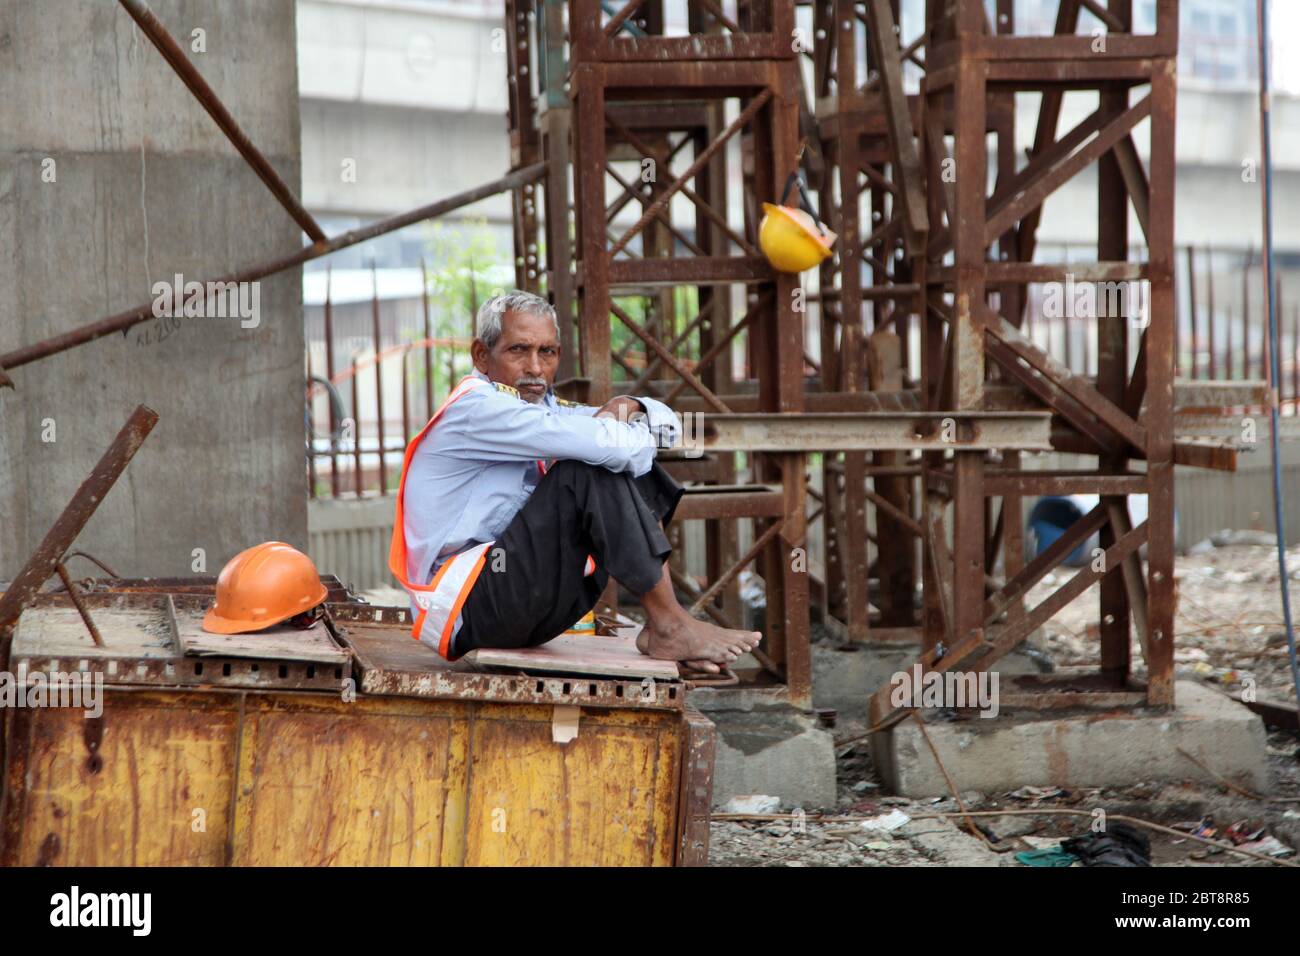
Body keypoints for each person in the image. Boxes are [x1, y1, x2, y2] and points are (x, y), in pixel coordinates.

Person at [388, 290, 761, 674]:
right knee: (587, 470)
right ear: (482, 355)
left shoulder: (543, 408)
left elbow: (671, 431)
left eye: (547, 352)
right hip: (470, 608)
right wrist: (621, 428)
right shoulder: (478, 408)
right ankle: (669, 622)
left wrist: (633, 405)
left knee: (620, 465)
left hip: (528, 605)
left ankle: (663, 625)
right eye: (519, 350)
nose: (535, 367)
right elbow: (613, 447)